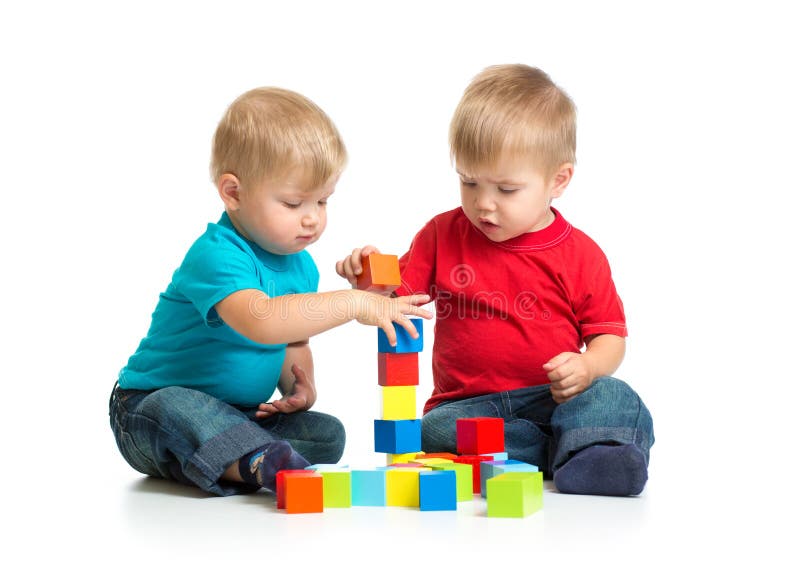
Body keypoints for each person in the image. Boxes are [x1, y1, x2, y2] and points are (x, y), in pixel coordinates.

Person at [337, 65, 654, 496]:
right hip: (467, 410)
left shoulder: (581, 254)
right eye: (469, 182)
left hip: (554, 399)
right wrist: (370, 294)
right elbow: (396, 307)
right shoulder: (440, 235)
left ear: (557, 181)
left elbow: (609, 339)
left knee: (614, 395)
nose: (483, 205)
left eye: (506, 190)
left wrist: (587, 367)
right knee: (432, 433)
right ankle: (565, 452)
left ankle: (594, 454)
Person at [110, 87, 431, 496]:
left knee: (327, 435)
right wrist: (351, 301)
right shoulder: (217, 254)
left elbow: (291, 337)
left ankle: (243, 459)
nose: (313, 218)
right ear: (234, 193)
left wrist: (301, 386)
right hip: (145, 411)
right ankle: (247, 458)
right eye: (294, 202)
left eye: (323, 201)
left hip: (240, 415)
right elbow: (262, 320)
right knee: (175, 405)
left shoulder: (301, 265)